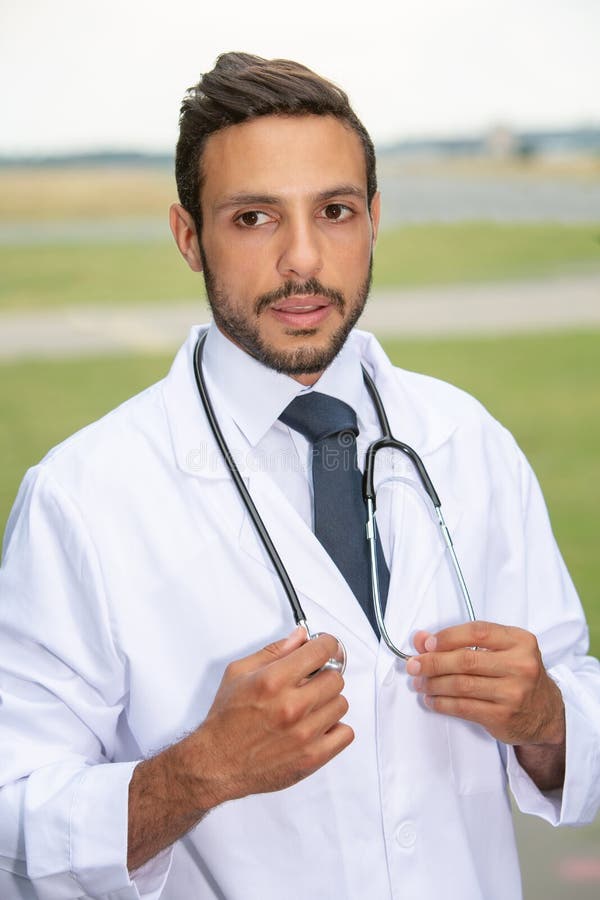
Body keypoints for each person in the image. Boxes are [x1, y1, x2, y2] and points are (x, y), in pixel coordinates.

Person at [0, 52, 599, 900]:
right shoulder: (83, 498)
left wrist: (546, 719)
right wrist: (197, 771)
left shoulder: (469, 440)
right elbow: (13, 825)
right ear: (187, 236)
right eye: (254, 218)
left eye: (335, 210)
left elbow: (580, 715)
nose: (303, 259)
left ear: (375, 219)